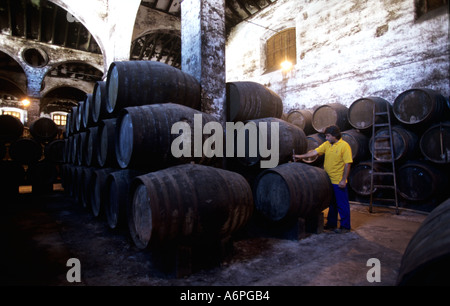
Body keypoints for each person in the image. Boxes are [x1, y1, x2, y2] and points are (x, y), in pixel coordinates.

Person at [293, 125, 353, 233]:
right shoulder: (327, 144)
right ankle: (331, 224)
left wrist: (344, 180)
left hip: (338, 181)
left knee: (342, 204)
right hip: (328, 179)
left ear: (334, 136)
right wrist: (300, 156)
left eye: (328, 136)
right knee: (332, 203)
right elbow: (314, 152)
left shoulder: (344, 146)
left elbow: (347, 164)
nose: (326, 138)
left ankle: (345, 227)